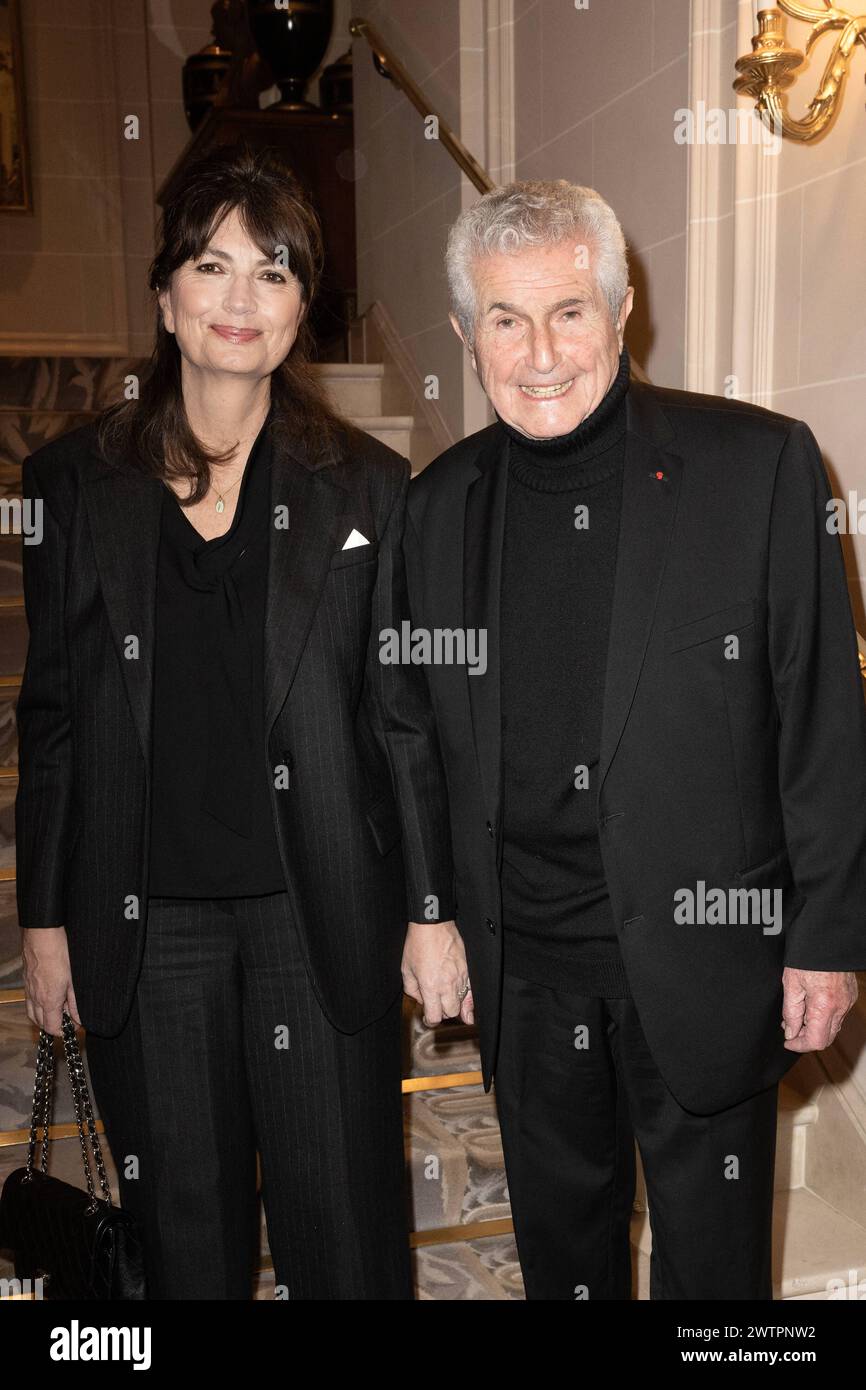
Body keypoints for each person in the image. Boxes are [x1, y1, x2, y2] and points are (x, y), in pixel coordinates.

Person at [16, 142, 469, 1301]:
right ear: (165, 297)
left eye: (270, 273)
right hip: (146, 916)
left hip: (312, 915)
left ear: (298, 309)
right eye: (210, 268)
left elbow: (400, 721)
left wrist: (427, 911)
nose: (237, 299)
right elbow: (57, 714)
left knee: (346, 1234)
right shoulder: (76, 482)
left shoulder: (365, 486)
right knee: (183, 1238)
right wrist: (47, 920)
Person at [403, 179, 866, 1299]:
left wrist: (823, 935)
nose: (540, 352)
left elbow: (820, 718)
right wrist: (429, 912)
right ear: (466, 339)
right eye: (503, 320)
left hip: (707, 952)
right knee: (566, 1256)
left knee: (712, 1274)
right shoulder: (436, 503)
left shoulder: (757, 468)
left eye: (568, 311)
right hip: (526, 970)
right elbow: (409, 728)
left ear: (620, 313)